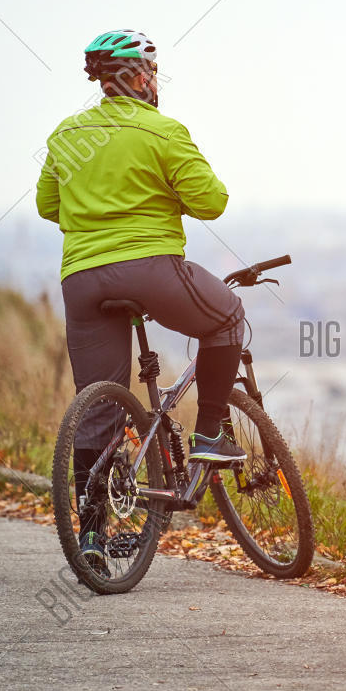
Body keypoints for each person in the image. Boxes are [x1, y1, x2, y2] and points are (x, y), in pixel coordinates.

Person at [36, 29, 246, 575]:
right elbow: (213, 202)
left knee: (98, 406)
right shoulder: (163, 131)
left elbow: (46, 205)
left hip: (82, 280)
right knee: (226, 316)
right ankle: (212, 433)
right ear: (139, 77)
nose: (155, 80)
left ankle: (91, 536)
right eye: (153, 71)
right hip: (150, 270)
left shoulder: (66, 134)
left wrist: (97, 211)